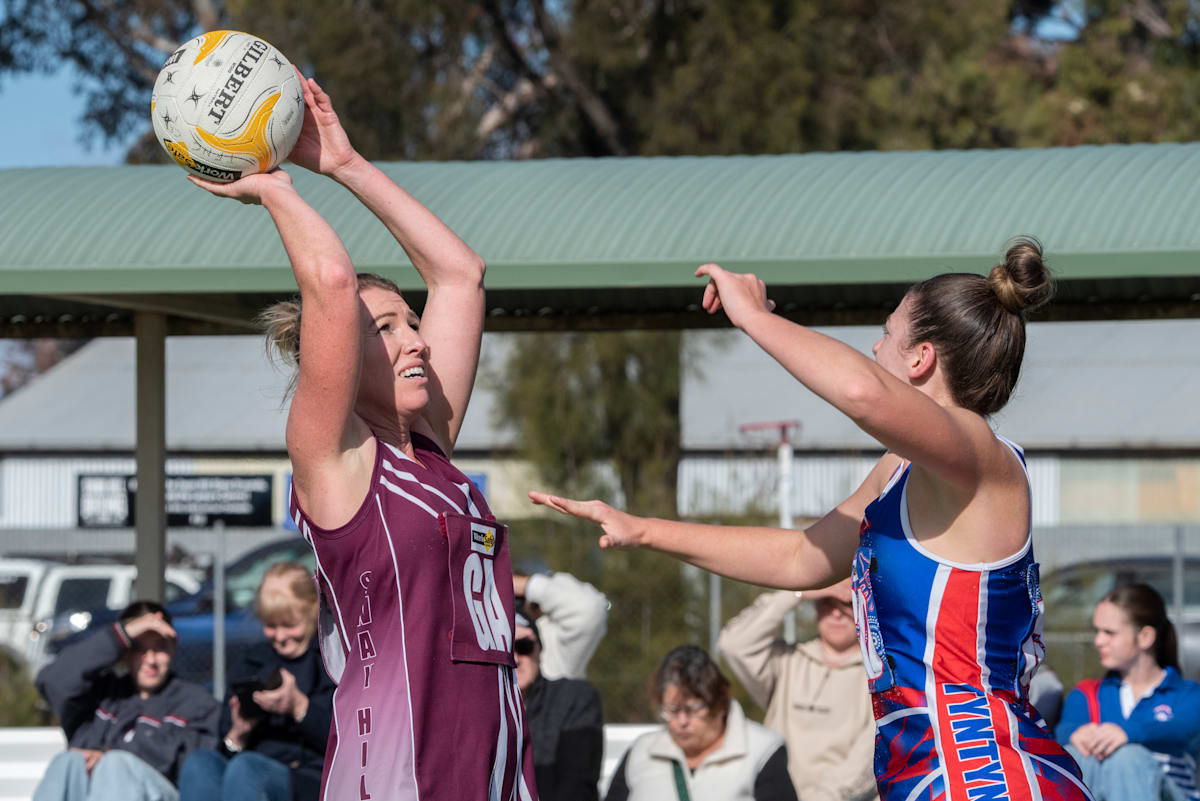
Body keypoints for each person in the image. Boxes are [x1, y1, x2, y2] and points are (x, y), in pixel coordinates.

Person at [531, 241, 1094, 800]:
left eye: (885, 333)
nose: (874, 348)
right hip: (926, 772)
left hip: (983, 775)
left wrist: (751, 317)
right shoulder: (900, 470)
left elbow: (861, 393)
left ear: (920, 358)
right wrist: (645, 530)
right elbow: (801, 557)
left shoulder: (980, 455)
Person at [189, 74, 536, 800]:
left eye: (410, 322)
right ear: (346, 356)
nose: (416, 341)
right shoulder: (339, 461)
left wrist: (344, 164)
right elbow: (333, 284)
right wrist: (275, 187)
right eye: (388, 331)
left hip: (495, 760)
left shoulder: (432, 450)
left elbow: (461, 276)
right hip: (399, 770)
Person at [178, 562, 335, 801]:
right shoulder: (252, 661)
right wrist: (238, 733)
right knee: (200, 764)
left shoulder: (332, 662)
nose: (280, 637)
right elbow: (226, 745)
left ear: (312, 612)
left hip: (309, 776)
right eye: (271, 626)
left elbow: (345, 741)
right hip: (247, 768)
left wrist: (300, 707)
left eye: (290, 625)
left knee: (247, 770)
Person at [34, 601, 219, 801]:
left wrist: (107, 756)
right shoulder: (103, 696)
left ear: (173, 647)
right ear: (124, 653)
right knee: (68, 762)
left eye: (159, 649)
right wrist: (119, 635)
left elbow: (192, 771)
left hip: (159, 793)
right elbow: (52, 680)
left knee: (115, 765)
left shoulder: (196, 704)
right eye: (139, 649)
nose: (151, 661)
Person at [717, 579, 877, 801]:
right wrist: (799, 592)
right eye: (827, 602)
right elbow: (734, 644)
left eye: (847, 604)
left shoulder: (878, 675)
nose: (837, 614)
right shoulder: (787, 662)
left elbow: (869, 754)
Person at [1055, 583, 1200, 801]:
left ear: (1145, 637)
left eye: (1109, 633)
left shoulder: (1187, 694)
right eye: (1097, 631)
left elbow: (1182, 730)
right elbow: (1064, 730)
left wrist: (1128, 733)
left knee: (1128, 758)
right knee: (1077, 755)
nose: (1098, 641)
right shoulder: (1086, 694)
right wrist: (1075, 735)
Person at [604, 644, 796, 801]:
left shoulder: (761, 752)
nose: (682, 721)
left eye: (693, 709)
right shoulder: (642, 752)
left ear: (720, 705)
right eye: (671, 710)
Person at [514, 612, 604, 801]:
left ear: (539, 650)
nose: (515, 659)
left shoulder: (575, 698)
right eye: (505, 650)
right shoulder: (473, 711)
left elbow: (577, 787)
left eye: (523, 647)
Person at [513, 570, 609, 679]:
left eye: (524, 647)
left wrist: (525, 585)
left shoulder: (551, 641)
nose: (515, 659)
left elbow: (590, 608)